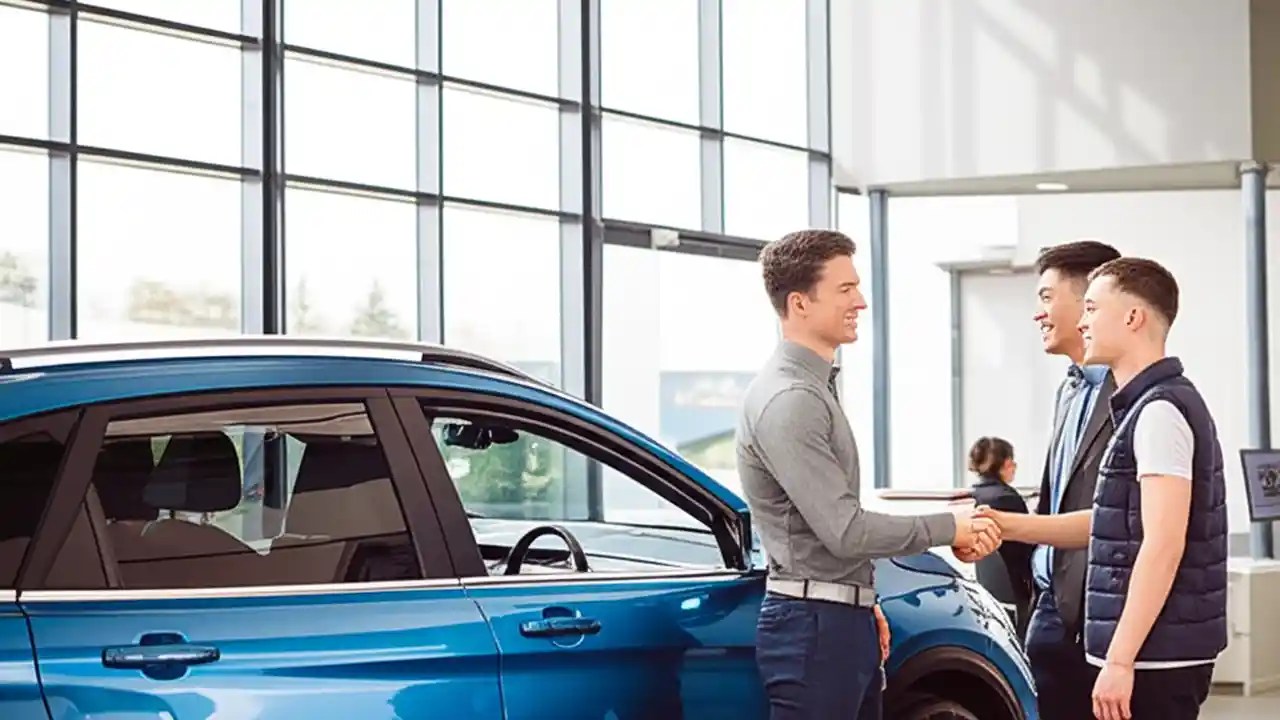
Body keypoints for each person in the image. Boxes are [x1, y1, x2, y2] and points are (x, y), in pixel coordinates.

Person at [736, 229, 1002, 719]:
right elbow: (844, 529)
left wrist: (859, 600)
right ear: (799, 303)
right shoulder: (791, 400)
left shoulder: (811, 391)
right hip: (815, 628)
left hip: (835, 620)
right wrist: (951, 526)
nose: (860, 300)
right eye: (844, 289)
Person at [978, 257, 1228, 720]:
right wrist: (1006, 524)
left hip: (1152, 657)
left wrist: (1119, 658)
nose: (1084, 320)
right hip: (1143, 651)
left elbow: (1163, 543)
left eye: (1092, 308)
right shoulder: (1147, 406)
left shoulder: (1160, 411)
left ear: (1133, 317)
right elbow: (1113, 524)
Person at [956, 239, 1120, 720]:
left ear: (1091, 299)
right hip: (1050, 610)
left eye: (1047, 297)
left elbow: (1114, 519)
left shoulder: (1134, 397)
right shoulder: (1068, 392)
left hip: (1097, 618)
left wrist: (1000, 526)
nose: (1038, 314)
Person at [966, 436, 1035, 638]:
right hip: (1015, 596)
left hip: (986, 598)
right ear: (1007, 463)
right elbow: (1027, 548)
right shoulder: (1008, 499)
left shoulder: (971, 497)